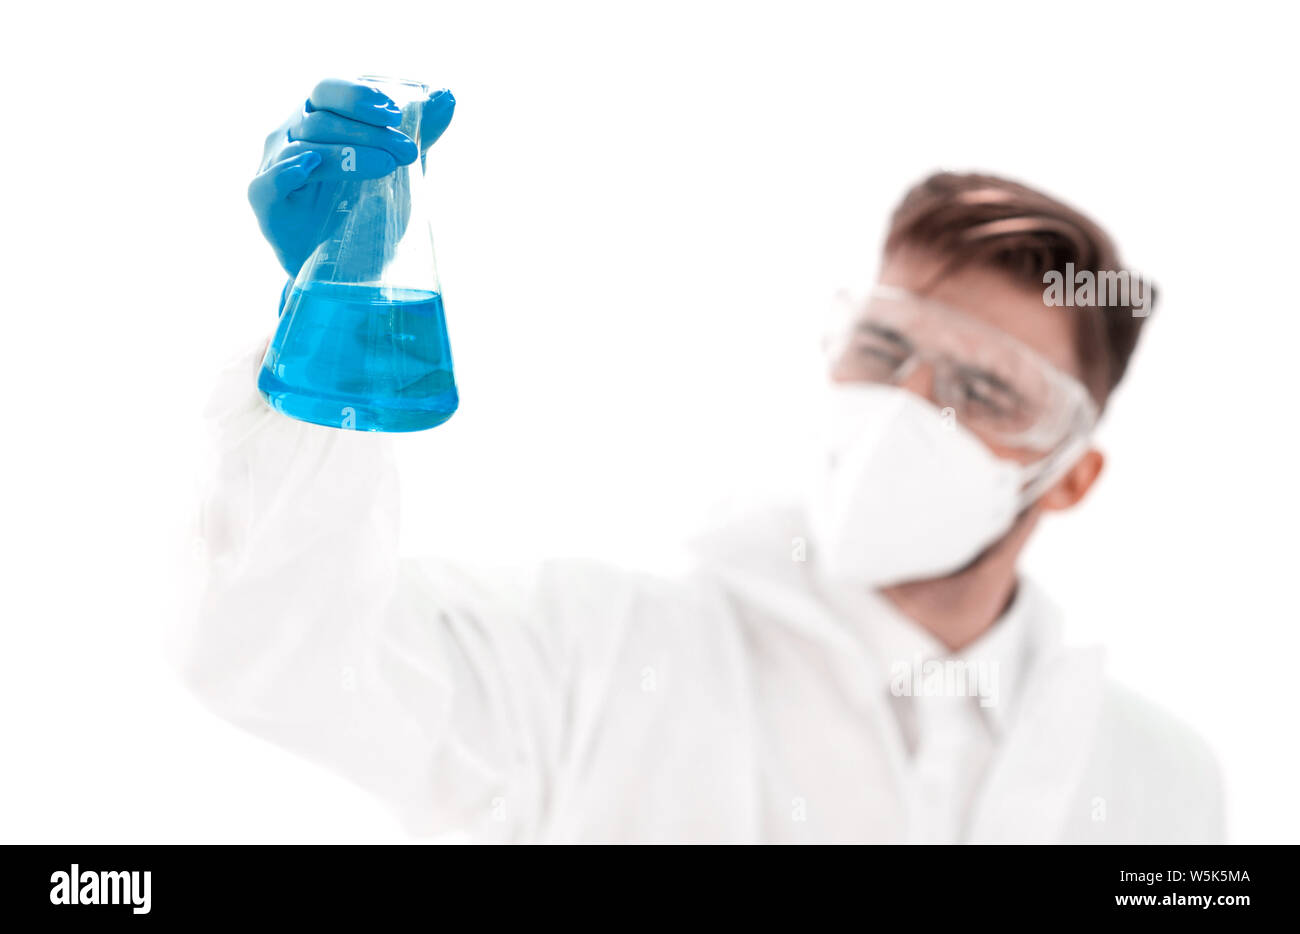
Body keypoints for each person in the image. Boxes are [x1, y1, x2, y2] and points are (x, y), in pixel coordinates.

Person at [180, 78, 1223, 843]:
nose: (909, 408)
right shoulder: (591, 658)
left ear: (1070, 473)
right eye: (885, 346)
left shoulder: (1160, 781)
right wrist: (335, 325)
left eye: (984, 389)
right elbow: (288, 655)